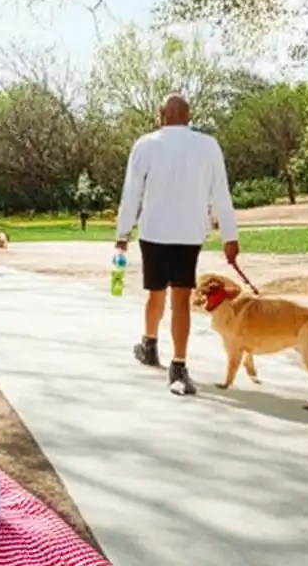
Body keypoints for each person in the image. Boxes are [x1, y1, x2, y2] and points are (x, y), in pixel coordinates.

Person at [114, 94, 240, 397]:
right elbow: (221, 193)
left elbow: (132, 193)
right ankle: (179, 365)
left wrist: (122, 234)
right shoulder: (208, 145)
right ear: (189, 116)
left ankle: (149, 343)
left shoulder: (145, 145)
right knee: (180, 300)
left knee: (155, 293)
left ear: (161, 117)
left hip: (154, 232)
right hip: (189, 234)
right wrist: (230, 236)